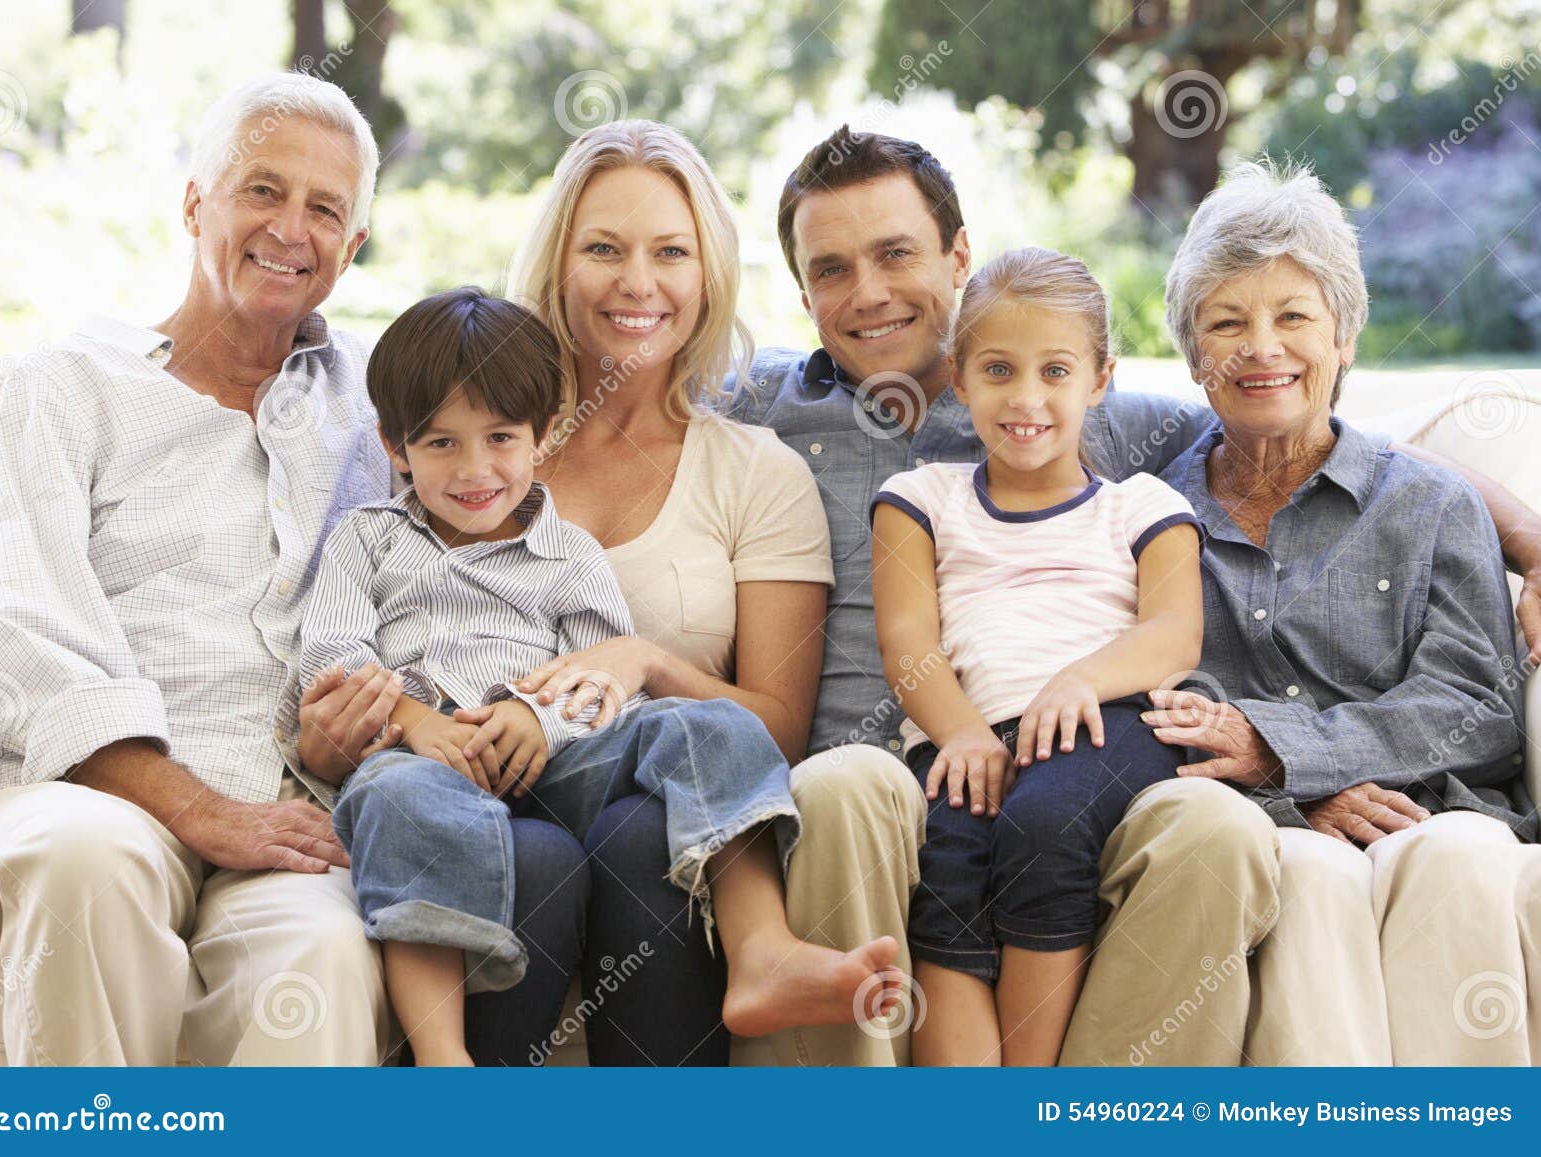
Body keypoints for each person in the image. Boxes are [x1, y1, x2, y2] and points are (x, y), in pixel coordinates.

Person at [729, 124, 1541, 1063]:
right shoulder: (764, 406)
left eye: (895, 253)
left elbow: (1304, 430)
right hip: (957, 765)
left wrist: (1532, 538)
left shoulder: (1114, 436)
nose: (867, 291)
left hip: (1189, 773)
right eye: (833, 268)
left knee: (1270, 842)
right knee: (863, 789)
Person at [427, 118, 927, 1067]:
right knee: (523, 848)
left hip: (652, 822)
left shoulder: (755, 470)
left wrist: (648, 661)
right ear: (556, 263)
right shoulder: (474, 449)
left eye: (671, 252)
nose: (638, 283)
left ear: (708, 276)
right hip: (479, 777)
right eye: (604, 249)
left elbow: (775, 731)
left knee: (639, 831)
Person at [300, 286, 901, 1065]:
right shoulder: (367, 539)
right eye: (440, 443)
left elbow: (610, 682)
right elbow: (331, 656)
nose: (474, 469)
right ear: (394, 445)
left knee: (708, 724)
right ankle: (444, 1056)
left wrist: (536, 718)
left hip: (558, 757)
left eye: (500, 437)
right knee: (392, 796)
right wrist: (416, 722)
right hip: (427, 766)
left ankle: (761, 948)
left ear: (545, 435)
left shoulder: (570, 553)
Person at [0, 73, 400, 1065]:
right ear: (194, 202)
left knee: (323, 949)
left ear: (352, 249)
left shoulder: (380, 408)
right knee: (79, 863)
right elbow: (25, 641)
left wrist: (347, 738)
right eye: (261, 190)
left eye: (326, 209)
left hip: (290, 809)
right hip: (93, 795)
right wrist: (200, 811)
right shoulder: (60, 389)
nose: (291, 227)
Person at [1143, 159, 1540, 1064]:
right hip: (1264, 821)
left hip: (1435, 810)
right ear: (1195, 356)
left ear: (1344, 338)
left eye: (1293, 317)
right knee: (1313, 875)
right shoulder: (1145, 514)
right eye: (1227, 323)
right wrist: (1290, 787)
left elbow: (1477, 709)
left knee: (1464, 857)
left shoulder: (1433, 504)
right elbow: (1148, 707)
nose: (1261, 347)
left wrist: (1292, 749)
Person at [874, 247, 1204, 1064]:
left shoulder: (1143, 506)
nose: (1026, 398)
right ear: (958, 376)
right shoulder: (920, 500)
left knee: (1045, 819)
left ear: (1100, 380)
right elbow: (909, 644)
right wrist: (961, 734)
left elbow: (1174, 634)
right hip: (971, 732)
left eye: (1056, 371)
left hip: (1110, 723)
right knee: (948, 849)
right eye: (998, 369)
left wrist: (1079, 679)